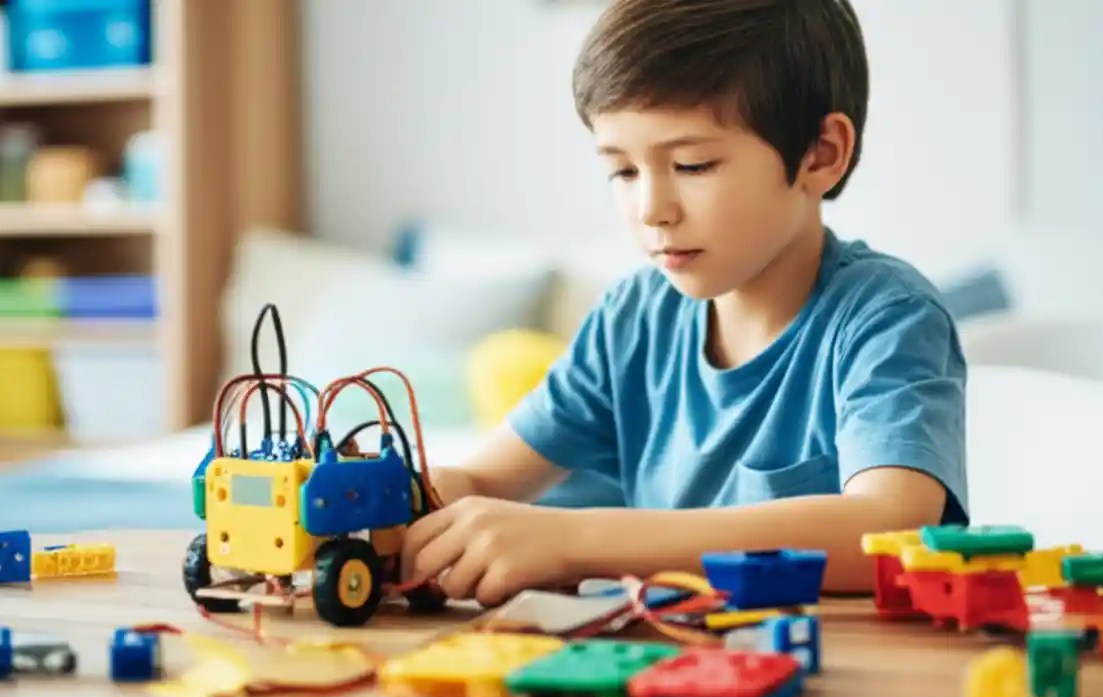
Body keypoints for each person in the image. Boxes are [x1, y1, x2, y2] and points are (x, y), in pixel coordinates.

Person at [401, 0, 967, 607]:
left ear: (820, 154)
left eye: (692, 165)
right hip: (668, 671)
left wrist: (578, 536)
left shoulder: (885, 318)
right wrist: (414, 500)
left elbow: (889, 527)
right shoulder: (633, 320)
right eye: (622, 171)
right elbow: (485, 478)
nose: (651, 209)